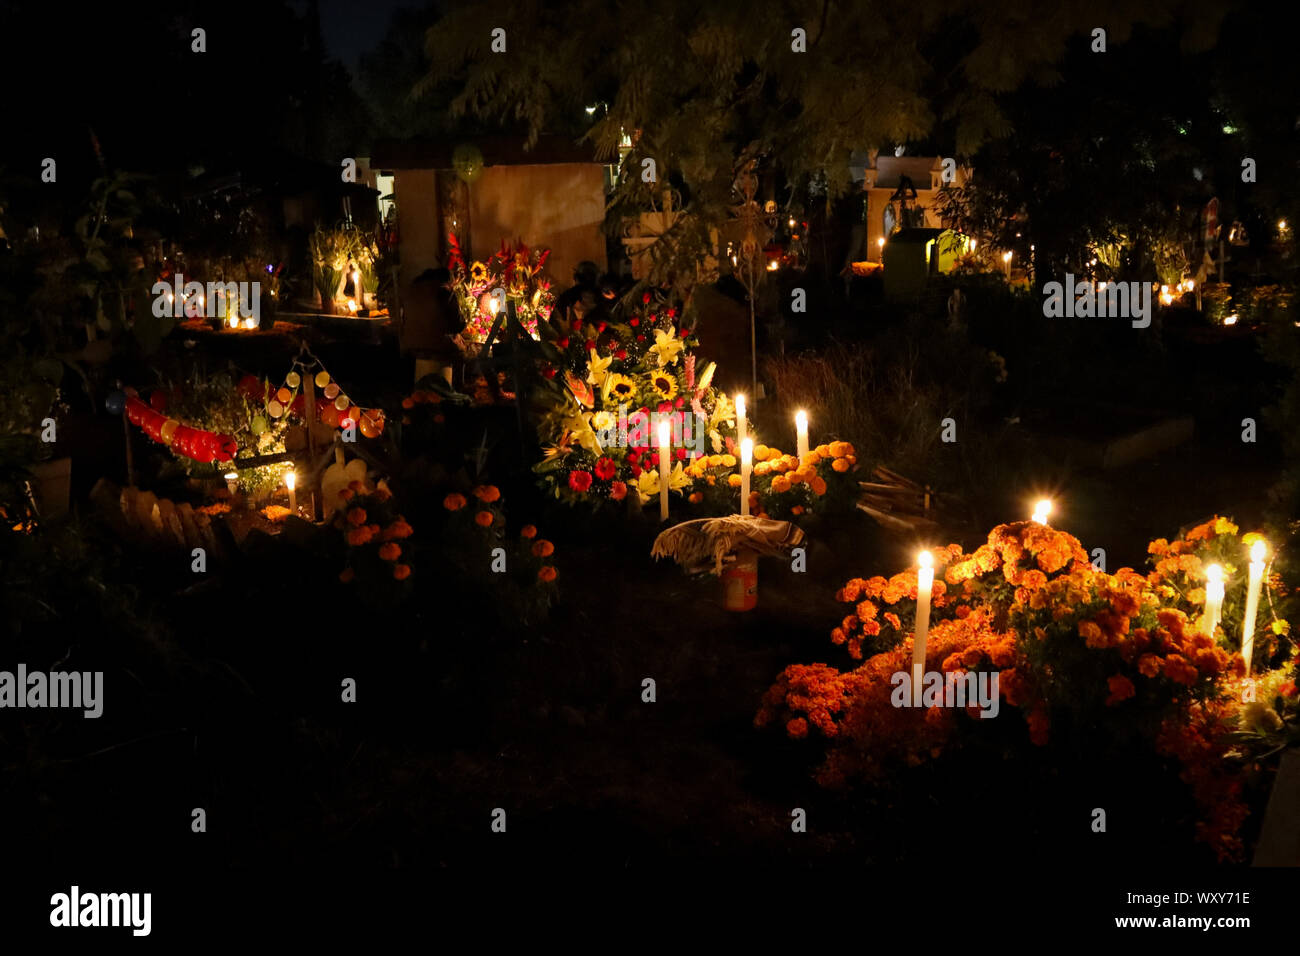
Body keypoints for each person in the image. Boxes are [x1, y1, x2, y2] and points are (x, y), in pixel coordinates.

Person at [400, 267, 462, 387]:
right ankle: (457, 389)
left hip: (410, 342)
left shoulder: (411, 290)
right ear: (447, 281)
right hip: (437, 345)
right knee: (464, 351)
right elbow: (457, 325)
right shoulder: (444, 292)